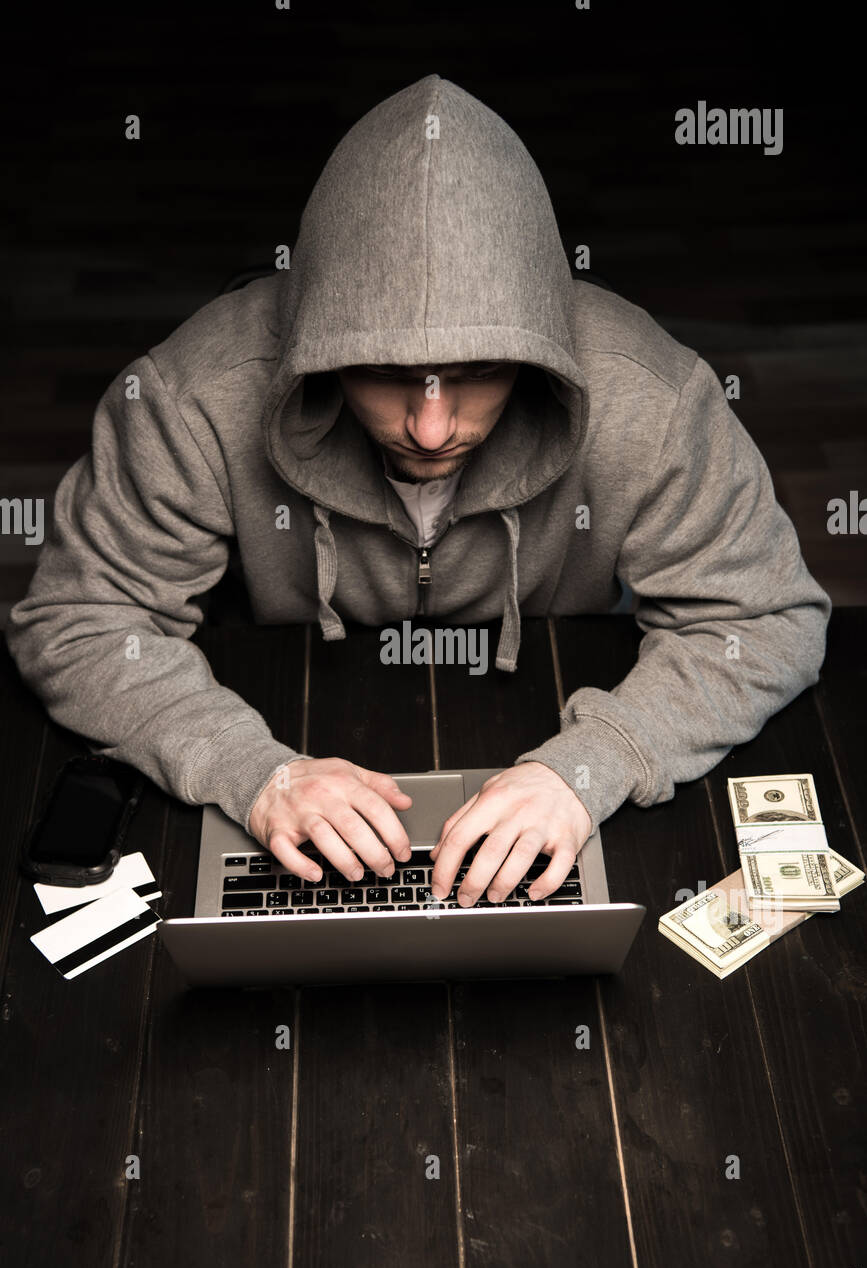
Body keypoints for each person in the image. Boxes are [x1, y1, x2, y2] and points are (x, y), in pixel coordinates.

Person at [6, 74, 831, 909]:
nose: (431, 428)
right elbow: (79, 620)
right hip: (284, 711)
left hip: (547, 711)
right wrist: (249, 769)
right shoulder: (191, 399)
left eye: (476, 375)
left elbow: (762, 618)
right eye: (388, 376)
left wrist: (592, 765)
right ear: (321, 352)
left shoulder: (651, 399)